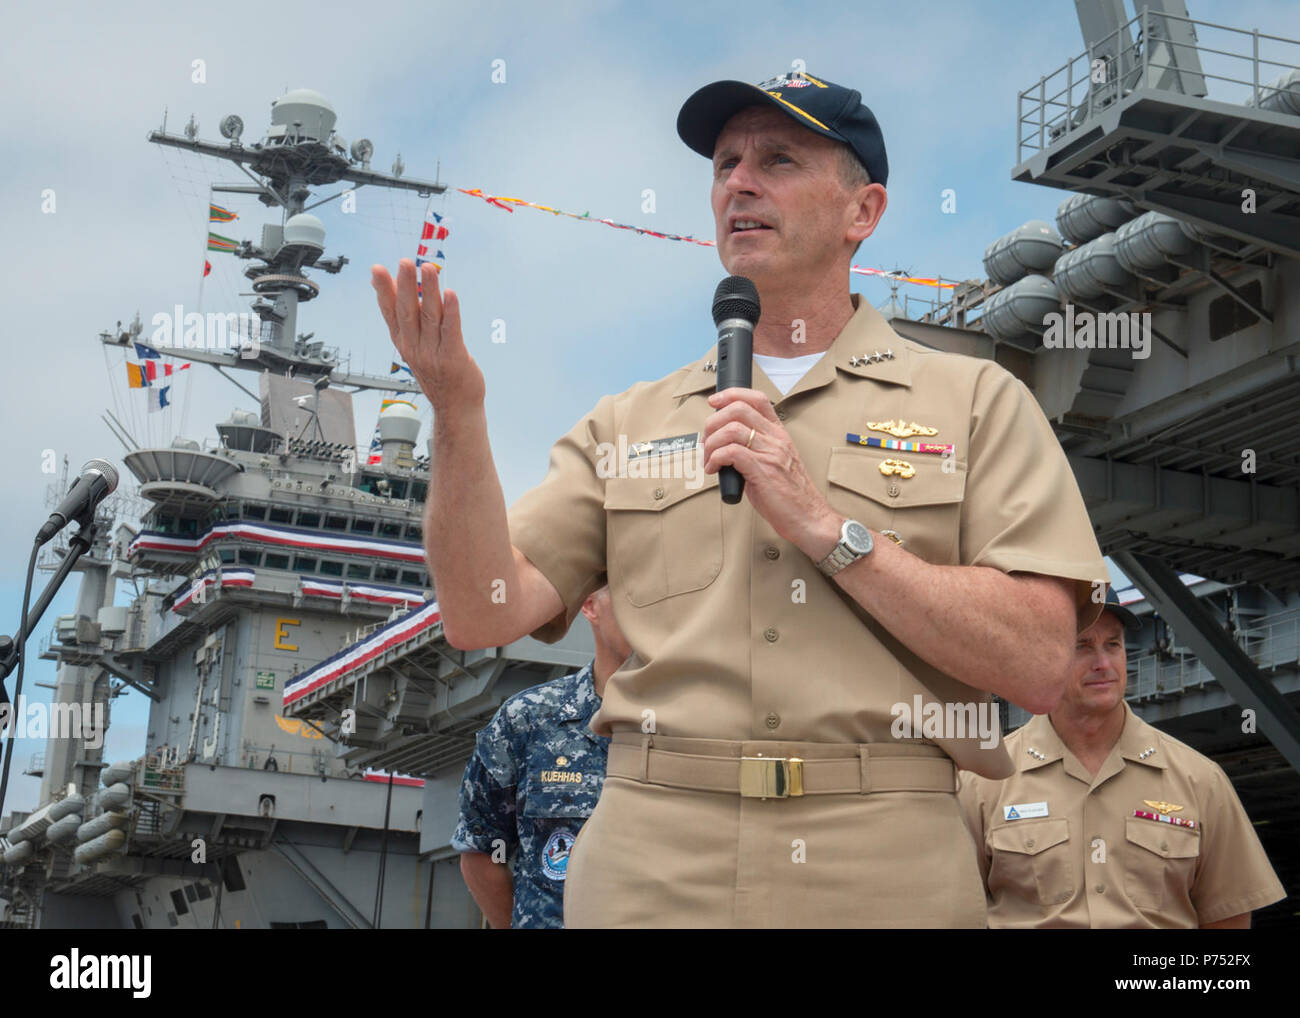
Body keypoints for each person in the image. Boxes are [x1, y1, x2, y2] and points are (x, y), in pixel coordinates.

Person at [372, 69, 1108, 928]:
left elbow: (1039, 663)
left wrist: (832, 531)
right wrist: (458, 416)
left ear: (862, 213)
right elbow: (481, 612)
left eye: (779, 159)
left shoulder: (979, 404)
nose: (740, 182)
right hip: (652, 860)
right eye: (724, 163)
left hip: (885, 864)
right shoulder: (626, 422)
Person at [957, 587, 1286, 928]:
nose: (1103, 663)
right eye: (1082, 646)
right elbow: (956, 915)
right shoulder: (985, 782)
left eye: (1113, 644)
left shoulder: (1200, 780)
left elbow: (1228, 918)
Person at [451, 584, 629, 929]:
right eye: (632, 596)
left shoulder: (699, 723)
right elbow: (482, 848)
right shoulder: (528, 719)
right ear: (590, 606)